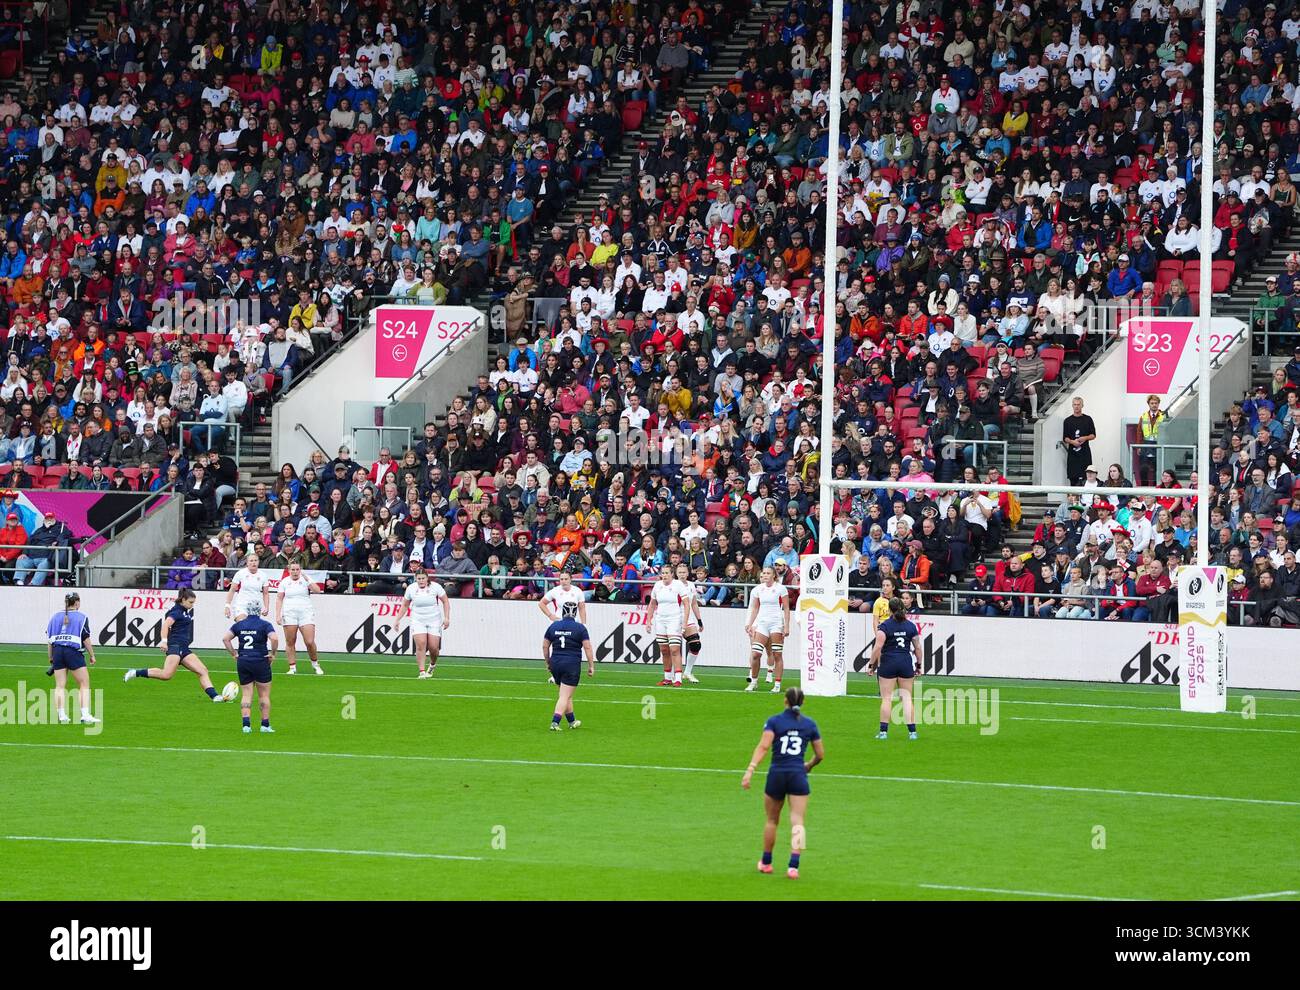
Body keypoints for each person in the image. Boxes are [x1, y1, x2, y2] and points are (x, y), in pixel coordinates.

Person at [740, 687, 824, 880]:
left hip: (777, 773)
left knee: (771, 820)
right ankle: (793, 867)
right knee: (798, 821)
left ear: (785, 701)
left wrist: (750, 770)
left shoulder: (774, 721)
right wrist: (809, 765)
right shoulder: (809, 724)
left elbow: (763, 746)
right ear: (802, 703)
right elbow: (820, 754)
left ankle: (766, 862)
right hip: (797, 775)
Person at [124, 588, 227, 702]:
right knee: (166, 675)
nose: (192, 605)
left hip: (184, 648)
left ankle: (215, 696)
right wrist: (164, 641)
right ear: (183, 600)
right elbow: (165, 625)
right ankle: (135, 672)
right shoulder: (176, 612)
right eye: (190, 602)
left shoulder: (184, 611)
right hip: (175, 646)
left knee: (202, 670)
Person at [867, 597, 923, 740]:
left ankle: (883, 732)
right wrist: (919, 665)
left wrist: (871, 665)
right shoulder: (911, 626)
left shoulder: (884, 626)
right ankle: (912, 732)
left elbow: (878, 647)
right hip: (905, 663)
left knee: (886, 699)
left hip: (888, 663)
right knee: (907, 698)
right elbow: (917, 648)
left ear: (889, 610)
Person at [45, 592, 100, 725]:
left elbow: (49, 641)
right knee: (84, 683)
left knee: (59, 685)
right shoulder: (82, 617)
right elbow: (85, 638)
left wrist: (51, 657)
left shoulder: (55, 617)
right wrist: (92, 655)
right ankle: (85, 715)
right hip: (73, 652)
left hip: (58, 651)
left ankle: (62, 716)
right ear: (76, 603)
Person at [223, 603, 279, 734]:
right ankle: (265, 725)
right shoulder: (265, 624)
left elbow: (226, 639)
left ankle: (246, 725)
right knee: (264, 695)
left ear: (247, 611)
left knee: (246, 694)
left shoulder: (239, 625)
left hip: (244, 660)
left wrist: (234, 654)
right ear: (259, 611)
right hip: (260, 660)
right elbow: (274, 638)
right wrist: (273, 654)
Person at [541, 601, 595, 730]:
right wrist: (591, 665)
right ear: (575, 613)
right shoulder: (580, 628)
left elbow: (545, 645)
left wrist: (548, 661)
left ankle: (572, 721)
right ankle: (555, 722)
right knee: (564, 696)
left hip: (556, 663)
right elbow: (587, 647)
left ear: (563, 612)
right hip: (571, 664)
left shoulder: (554, 626)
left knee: (565, 693)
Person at [395, 569, 451, 678]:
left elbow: (445, 601)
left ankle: (432, 665)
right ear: (416, 579)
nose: (421, 581)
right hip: (418, 619)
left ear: (427, 578)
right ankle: (421, 671)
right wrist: (397, 620)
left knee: (433, 647)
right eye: (419, 579)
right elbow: (405, 605)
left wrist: (447, 618)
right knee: (421, 644)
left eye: (423, 578)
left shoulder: (435, 587)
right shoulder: (411, 588)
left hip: (434, 619)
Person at [744, 565, 790, 692]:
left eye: (768, 573)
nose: (765, 575)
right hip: (762, 624)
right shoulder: (758, 589)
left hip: (776, 623)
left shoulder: (781, 589)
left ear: (774, 575)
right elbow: (755, 608)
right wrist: (750, 624)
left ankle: (777, 684)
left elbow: (786, 608)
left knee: (777, 654)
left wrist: (786, 626)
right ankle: (753, 681)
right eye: (763, 573)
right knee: (755, 654)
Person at [276, 560, 324, 675]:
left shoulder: (306, 580)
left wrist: (308, 579)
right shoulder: (284, 582)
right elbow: (279, 599)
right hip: (289, 613)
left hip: (305, 613)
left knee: (309, 641)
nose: (295, 572)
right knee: (290, 641)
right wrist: (278, 614)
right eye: (293, 569)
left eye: (297, 569)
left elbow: (318, 590)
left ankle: (315, 664)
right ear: (289, 570)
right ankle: (292, 667)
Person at [646, 565, 686, 686]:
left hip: (674, 618)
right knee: (664, 649)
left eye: (667, 573)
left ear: (672, 574)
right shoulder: (657, 585)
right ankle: (667, 677)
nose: (664, 575)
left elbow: (687, 603)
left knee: (674, 648)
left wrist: (685, 621)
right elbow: (652, 603)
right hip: (660, 619)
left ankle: (678, 678)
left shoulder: (678, 585)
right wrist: (649, 620)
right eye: (663, 573)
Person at [675, 560, 705, 684]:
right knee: (673, 647)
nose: (682, 574)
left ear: (688, 573)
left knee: (695, 644)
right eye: (679, 572)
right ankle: (673, 674)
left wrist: (699, 620)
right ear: (676, 574)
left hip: (688, 617)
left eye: (684, 572)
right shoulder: (674, 585)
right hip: (675, 616)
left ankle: (687, 672)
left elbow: (693, 604)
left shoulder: (691, 585)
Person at [225, 554, 271, 619]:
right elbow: (232, 590)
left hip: (255, 606)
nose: (253, 562)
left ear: (258, 562)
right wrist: (227, 606)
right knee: (243, 623)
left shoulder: (263, 575)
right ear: (247, 563)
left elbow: (265, 593)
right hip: (241, 605)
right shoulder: (240, 573)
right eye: (251, 561)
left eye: (255, 560)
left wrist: (266, 607)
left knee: (251, 628)